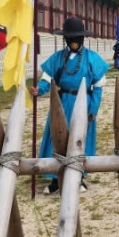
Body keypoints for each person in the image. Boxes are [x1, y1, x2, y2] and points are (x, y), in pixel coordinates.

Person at [32, 16, 109, 195]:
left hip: (83, 102)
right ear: (65, 38)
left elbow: (98, 86)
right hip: (62, 102)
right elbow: (47, 79)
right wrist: (39, 90)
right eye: (70, 38)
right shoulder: (59, 58)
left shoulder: (92, 58)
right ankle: (55, 179)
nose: (73, 41)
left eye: (76, 37)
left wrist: (93, 109)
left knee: (80, 138)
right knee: (57, 137)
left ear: (82, 38)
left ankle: (78, 176)